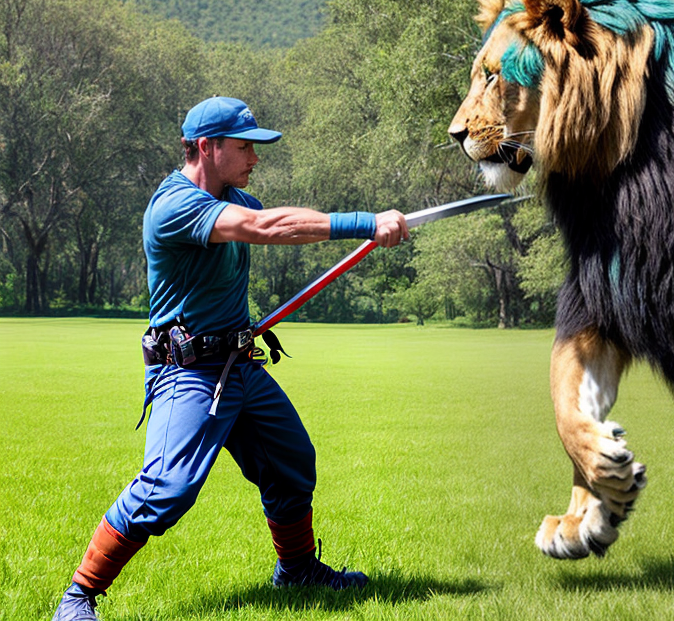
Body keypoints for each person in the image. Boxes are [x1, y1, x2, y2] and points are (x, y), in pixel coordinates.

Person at [52, 96, 409, 621]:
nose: (254, 158)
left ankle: (297, 571)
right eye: (244, 147)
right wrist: (365, 222)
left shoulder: (236, 198)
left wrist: (364, 229)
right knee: (166, 489)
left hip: (239, 365)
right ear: (206, 147)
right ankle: (78, 597)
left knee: (292, 463)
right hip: (188, 373)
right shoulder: (175, 206)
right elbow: (266, 228)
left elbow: (280, 222)